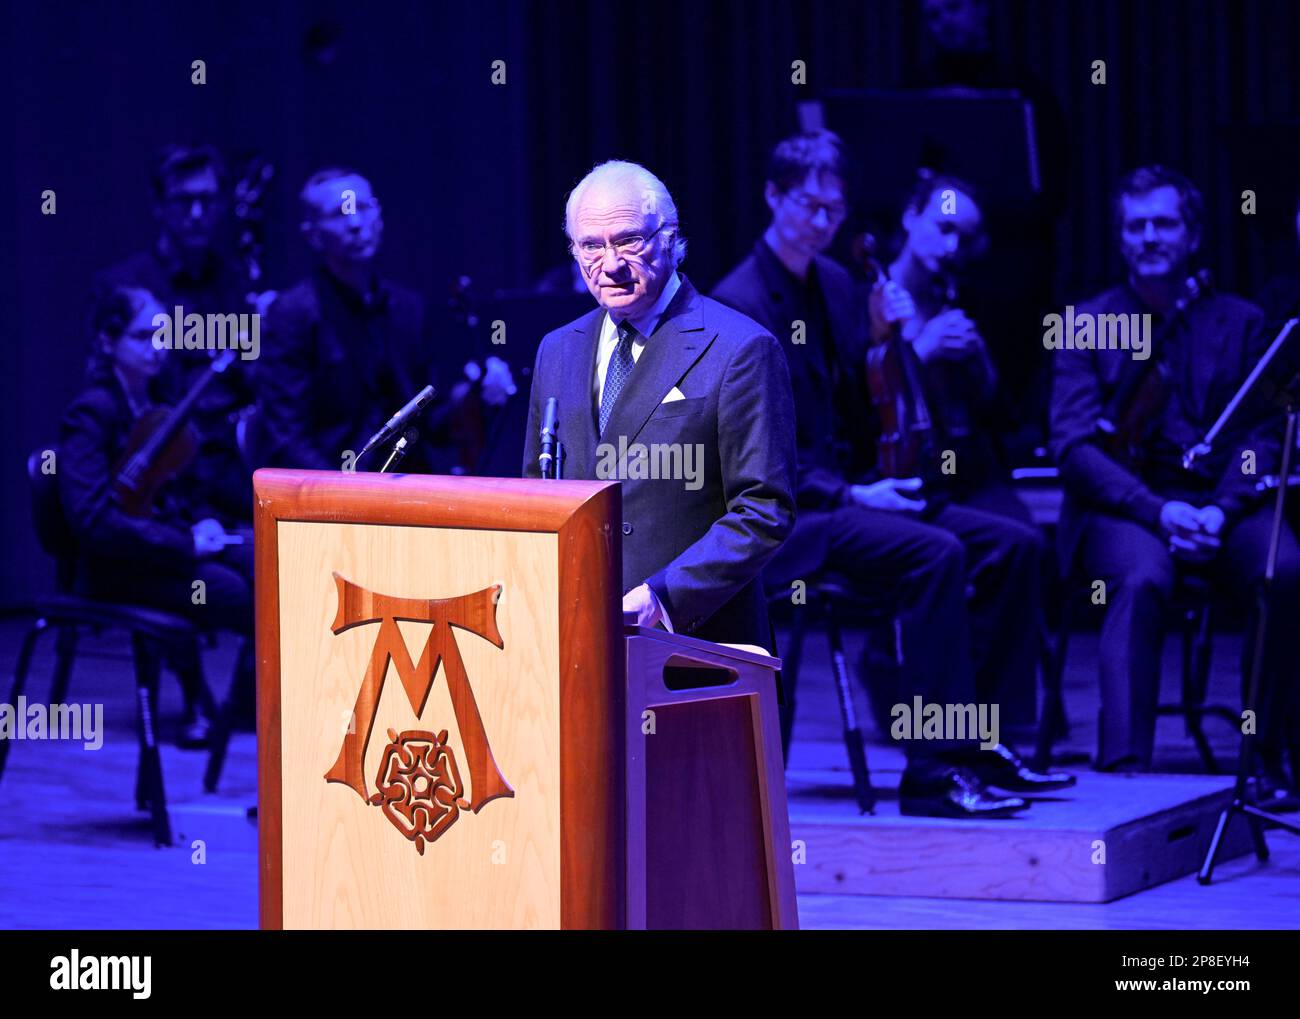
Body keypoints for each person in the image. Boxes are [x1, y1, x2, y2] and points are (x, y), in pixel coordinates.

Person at [713, 131, 1071, 816]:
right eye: (809, 206)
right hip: (789, 516)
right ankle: (933, 775)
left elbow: (860, 401)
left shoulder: (841, 284)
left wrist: (885, 343)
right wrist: (851, 491)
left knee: (1015, 545)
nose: (822, 222)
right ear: (773, 196)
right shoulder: (741, 302)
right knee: (937, 553)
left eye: (834, 210)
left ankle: (975, 743)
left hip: (858, 495)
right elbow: (752, 448)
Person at [1051, 165, 1300, 806]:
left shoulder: (1243, 322)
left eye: (1164, 223)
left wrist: (1221, 508)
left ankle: (1266, 760)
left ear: (1192, 235)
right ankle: (1125, 772)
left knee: (1283, 569)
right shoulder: (1088, 323)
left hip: (1222, 503)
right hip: (1126, 507)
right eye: (1136, 226)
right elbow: (1074, 448)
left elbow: (1267, 434)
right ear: (1121, 238)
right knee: (1140, 579)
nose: (1149, 236)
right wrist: (1158, 511)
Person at [522, 159, 795, 651]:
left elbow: (763, 509)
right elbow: (535, 494)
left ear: (669, 238)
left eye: (628, 240)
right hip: (574, 640)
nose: (610, 264)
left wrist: (663, 598)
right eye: (591, 246)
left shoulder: (740, 348)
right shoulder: (557, 350)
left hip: (692, 648)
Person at [59, 285, 254, 745]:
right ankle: (235, 706)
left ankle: (244, 702)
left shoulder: (158, 403)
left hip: (156, 549)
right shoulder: (90, 413)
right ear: (108, 343)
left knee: (255, 562)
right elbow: (91, 522)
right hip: (112, 567)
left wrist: (200, 522)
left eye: (162, 335)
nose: (158, 347)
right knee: (229, 591)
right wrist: (185, 544)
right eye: (142, 336)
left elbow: (184, 488)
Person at [258, 167, 514, 473]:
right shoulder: (293, 314)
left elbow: (431, 425)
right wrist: (337, 495)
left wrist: (475, 395)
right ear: (313, 235)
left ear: (379, 217)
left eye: (363, 208)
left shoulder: (407, 309)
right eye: (339, 214)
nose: (355, 223)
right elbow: (288, 439)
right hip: (330, 491)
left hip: (405, 486)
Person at [93, 144, 259, 524]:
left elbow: (250, 376)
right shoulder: (124, 286)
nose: (197, 214)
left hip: (226, 467)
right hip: (158, 466)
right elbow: (110, 389)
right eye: (183, 201)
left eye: (207, 200)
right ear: (159, 206)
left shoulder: (235, 284)